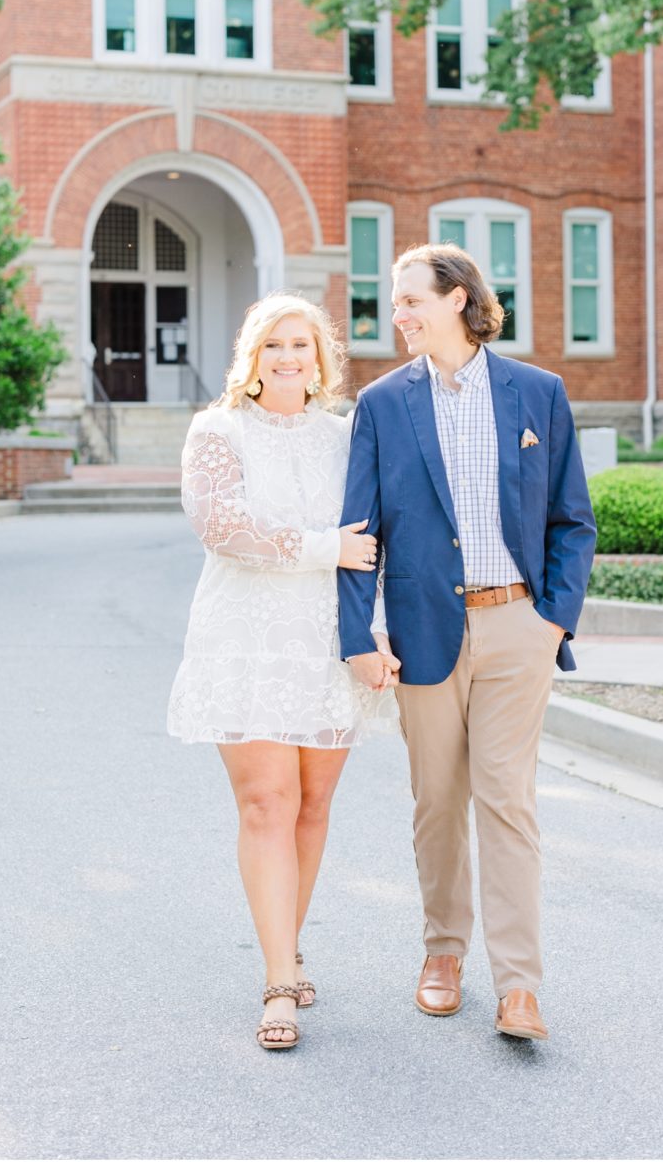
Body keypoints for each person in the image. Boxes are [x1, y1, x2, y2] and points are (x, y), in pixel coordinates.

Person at [338, 243, 596, 1042]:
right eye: (394, 301)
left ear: (457, 299)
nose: (398, 315)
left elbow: (571, 519)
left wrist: (550, 618)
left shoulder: (537, 393)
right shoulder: (382, 404)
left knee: (507, 804)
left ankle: (519, 985)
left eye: (411, 298)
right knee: (436, 804)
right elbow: (358, 531)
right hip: (420, 634)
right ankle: (442, 954)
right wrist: (357, 636)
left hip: (518, 625)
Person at [167, 292, 398, 1051]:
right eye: (274, 345)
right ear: (252, 357)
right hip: (246, 637)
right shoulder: (217, 430)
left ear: (322, 357)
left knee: (311, 805)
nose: (289, 357)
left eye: (301, 344)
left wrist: (378, 631)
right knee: (267, 803)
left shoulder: (345, 436)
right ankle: (277, 984)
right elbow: (222, 527)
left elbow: (380, 537)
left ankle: (287, 946)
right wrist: (321, 548)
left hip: (328, 640)